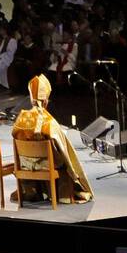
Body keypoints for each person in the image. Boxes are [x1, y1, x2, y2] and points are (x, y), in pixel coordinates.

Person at [10, 74, 92, 204]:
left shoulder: (20, 119)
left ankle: (32, 191)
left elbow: (15, 137)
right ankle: (62, 195)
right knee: (66, 162)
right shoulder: (50, 122)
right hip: (47, 165)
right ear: (46, 100)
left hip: (25, 165)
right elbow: (63, 152)